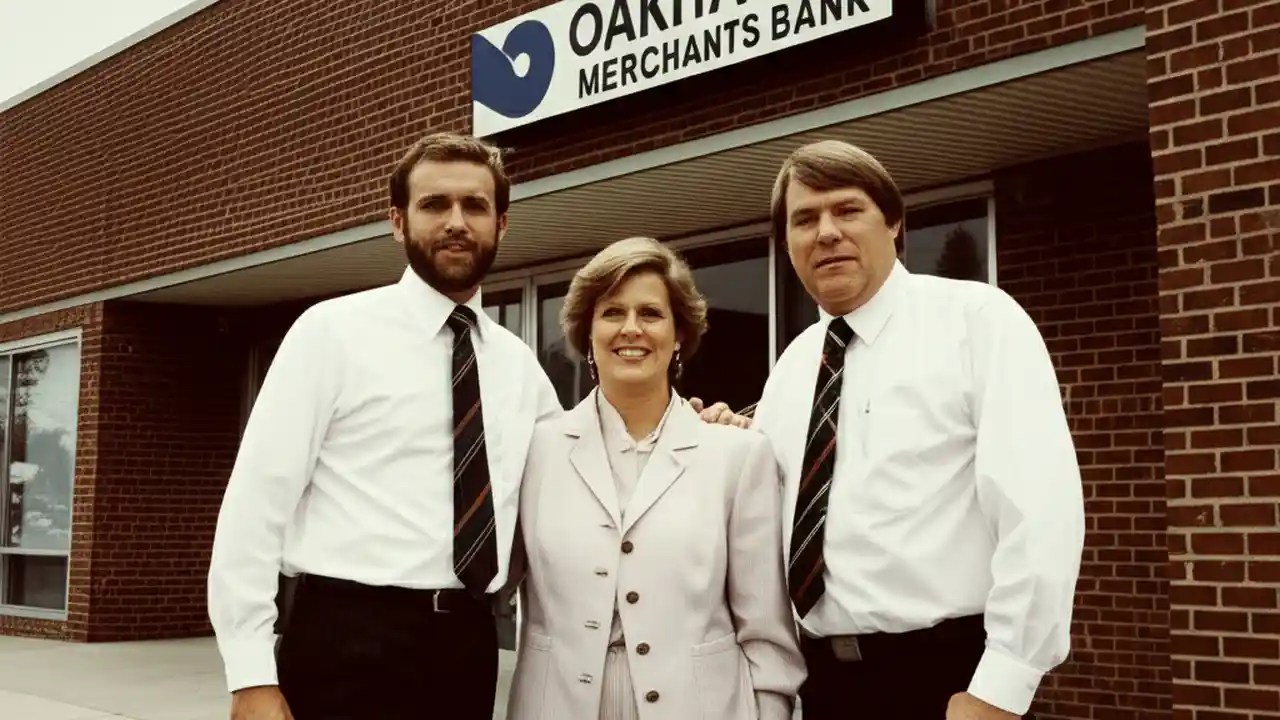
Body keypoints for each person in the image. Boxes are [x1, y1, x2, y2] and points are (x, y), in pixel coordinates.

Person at [697, 140, 1085, 719]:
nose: (826, 232)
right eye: (804, 219)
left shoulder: (977, 322)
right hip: (826, 684)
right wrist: (726, 442)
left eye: (847, 210)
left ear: (895, 222)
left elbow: (1040, 511)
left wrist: (999, 690)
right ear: (788, 244)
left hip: (949, 679)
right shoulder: (793, 368)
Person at [206, 132, 561, 720]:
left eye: (474, 206)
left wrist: (702, 425)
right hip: (343, 644)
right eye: (433, 204)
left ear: (502, 223)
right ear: (397, 222)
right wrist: (249, 674)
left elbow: (586, 462)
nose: (456, 221)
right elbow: (253, 507)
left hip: (467, 649)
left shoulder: (519, 367)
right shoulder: (331, 334)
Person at [505, 236, 806, 720]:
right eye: (612, 312)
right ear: (586, 332)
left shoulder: (737, 455)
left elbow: (765, 629)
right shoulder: (534, 449)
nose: (631, 329)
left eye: (650, 313)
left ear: (679, 333)